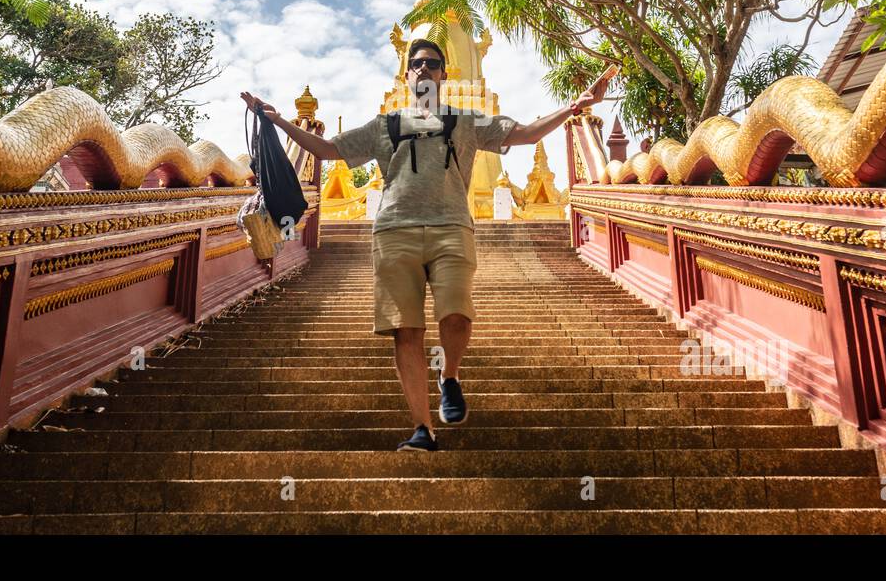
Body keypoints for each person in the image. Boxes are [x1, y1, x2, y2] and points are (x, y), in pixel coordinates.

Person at [240, 39, 611, 451]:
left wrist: (575, 107)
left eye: (433, 64)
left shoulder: (466, 121)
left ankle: (449, 374)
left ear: (444, 75)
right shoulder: (385, 126)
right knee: (407, 331)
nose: (424, 70)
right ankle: (422, 427)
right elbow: (328, 149)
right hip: (394, 231)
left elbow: (523, 134)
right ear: (406, 74)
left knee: (457, 316)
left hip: (451, 226)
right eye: (416, 64)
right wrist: (277, 122)